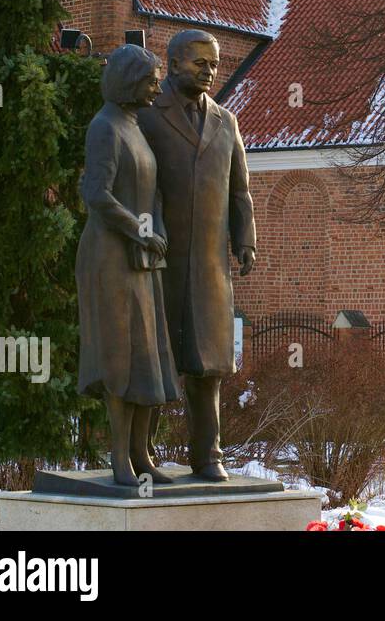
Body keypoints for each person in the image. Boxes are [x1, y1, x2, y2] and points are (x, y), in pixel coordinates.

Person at [139, 29, 256, 481]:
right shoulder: (146, 115)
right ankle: (139, 454)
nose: (209, 71)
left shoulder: (226, 121)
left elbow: (239, 189)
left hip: (209, 264)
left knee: (208, 366)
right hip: (157, 260)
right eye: (199, 62)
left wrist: (244, 239)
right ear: (172, 63)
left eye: (213, 63)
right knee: (152, 360)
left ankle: (208, 455)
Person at [76, 44, 180, 487]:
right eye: (151, 78)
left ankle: (142, 454)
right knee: (119, 355)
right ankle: (120, 455)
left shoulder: (136, 127)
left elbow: (151, 192)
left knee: (148, 356)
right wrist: (141, 232)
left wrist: (157, 232)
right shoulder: (104, 127)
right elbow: (97, 194)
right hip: (110, 257)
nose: (158, 85)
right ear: (128, 80)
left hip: (142, 258)